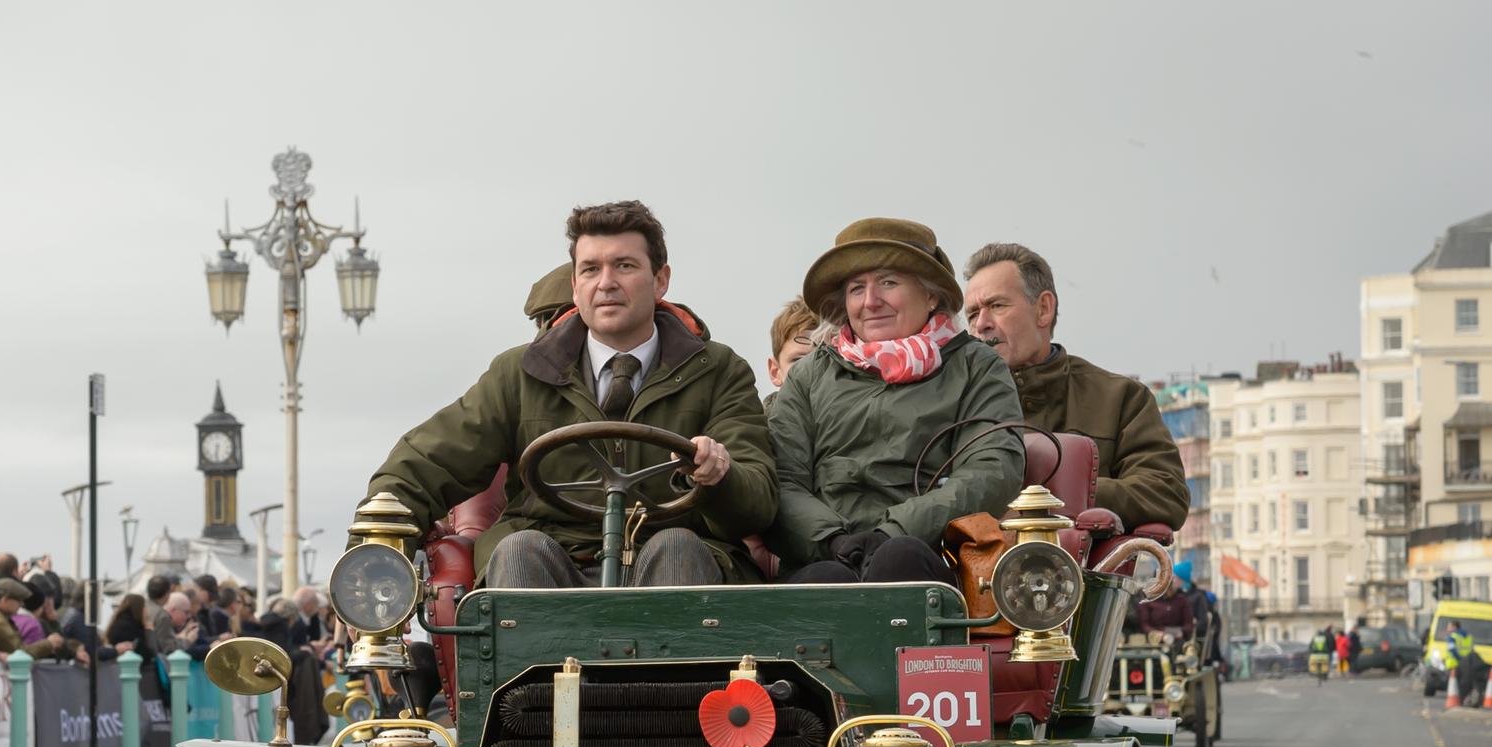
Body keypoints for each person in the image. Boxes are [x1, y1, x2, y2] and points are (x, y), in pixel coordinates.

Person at [366, 200, 775, 588]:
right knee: (518, 551)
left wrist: (719, 476)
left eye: (625, 266)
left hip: (675, 558)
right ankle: (532, 665)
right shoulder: (520, 373)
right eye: (590, 269)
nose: (606, 283)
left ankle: (662, 666)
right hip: (549, 558)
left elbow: (757, 501)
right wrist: (371, 553)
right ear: (576, 286)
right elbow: (425, 463)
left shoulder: (719, 371)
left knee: (676, 548)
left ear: (660, 280)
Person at [769, 217, 1024, 583]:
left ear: (931, 294)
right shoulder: (809, 376)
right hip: (823, 556)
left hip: (932, 554)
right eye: (857, 288)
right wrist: (832, 541)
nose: (871, 302)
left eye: (888, 283)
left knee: (898, 560)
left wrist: (894, 531)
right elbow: (781, 480)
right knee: (822, 583)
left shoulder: (977, 367)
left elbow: (992, 468)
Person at [962, 242, 1188, 528]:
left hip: (1081, 570)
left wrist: (1054, 494)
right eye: (972, 314)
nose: (981, 324)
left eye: (996, 305)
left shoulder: (1120, 399)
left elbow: (1165, 493)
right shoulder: (952, 405)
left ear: (1043, 309)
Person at [766, 297, 817, 403]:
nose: (811, 370)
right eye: (798, 360)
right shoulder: (755, 419)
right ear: (775, 372)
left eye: (826, 359)